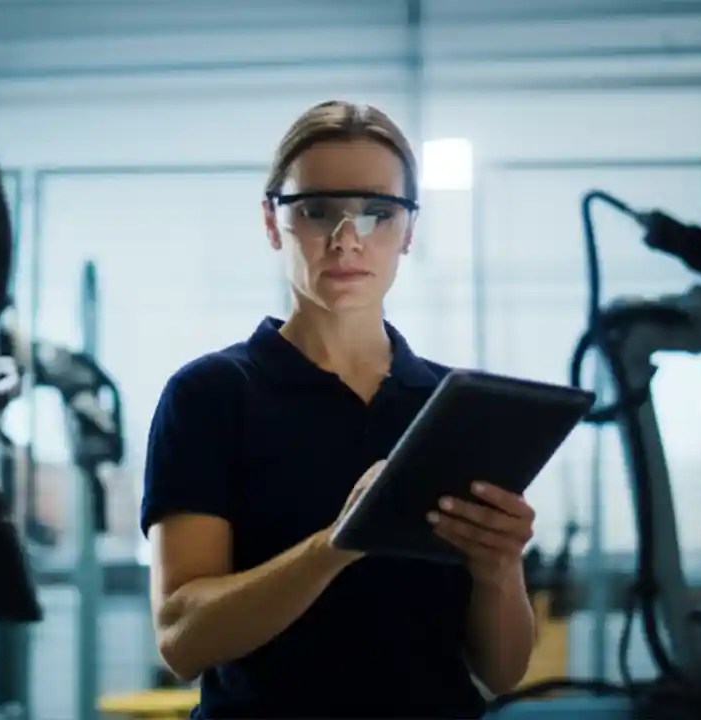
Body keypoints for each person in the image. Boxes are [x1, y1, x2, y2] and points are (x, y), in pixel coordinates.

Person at [140, 100, 537, 719]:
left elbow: (502, 671)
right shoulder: (211, 395)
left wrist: (498, 568)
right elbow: (181, 641)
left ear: (409, 231)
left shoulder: (454, 409)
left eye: (378, 212)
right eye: (317, 210)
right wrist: (338, 543)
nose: (347, 238)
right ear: (273, 223)